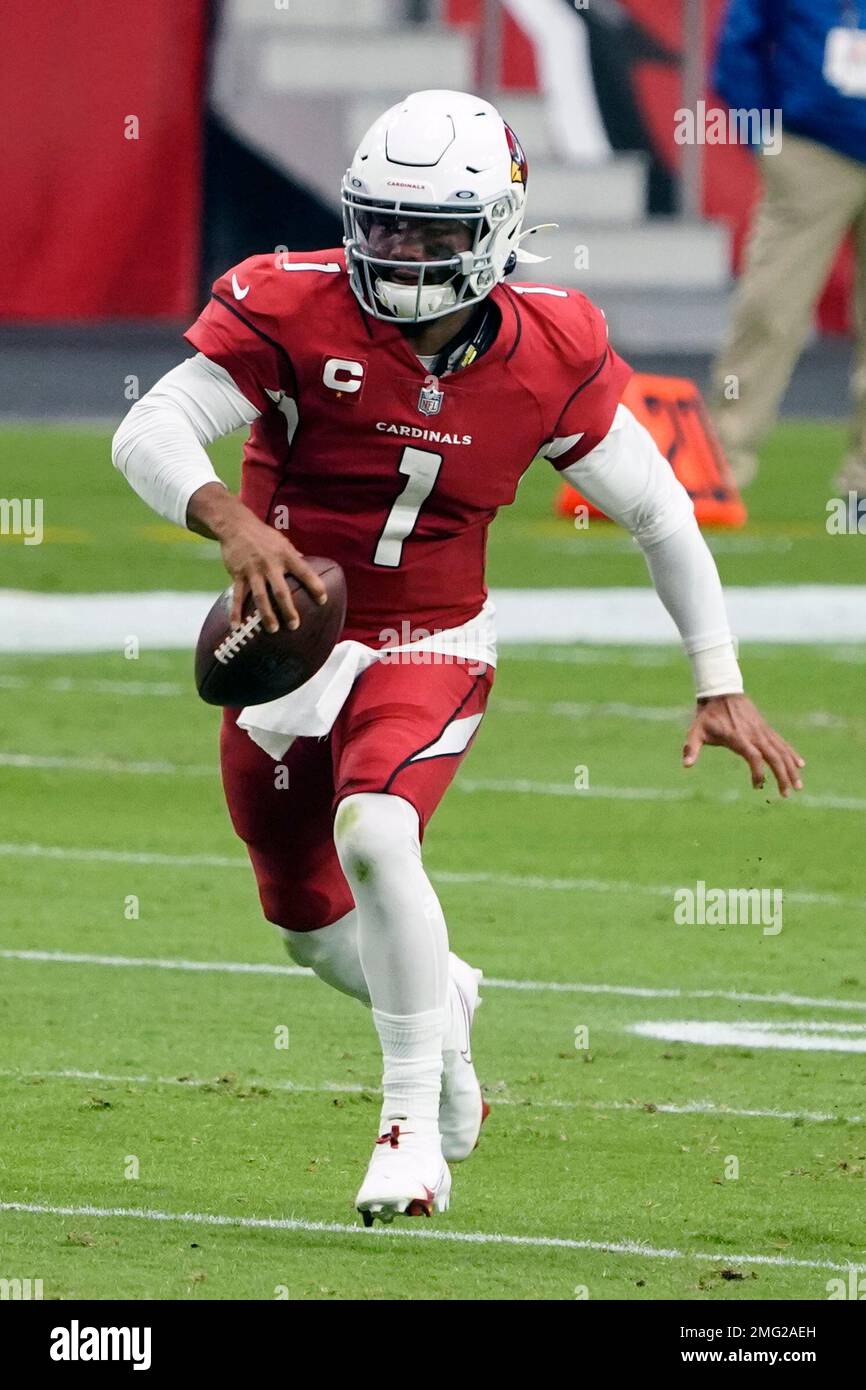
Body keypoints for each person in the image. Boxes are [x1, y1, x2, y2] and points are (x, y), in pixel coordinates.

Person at [112, 89, 804, 1225]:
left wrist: (716, 677)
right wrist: (232, 524)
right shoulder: (290, 303)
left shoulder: (551, 347)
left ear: (493, 231)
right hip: (290, 650)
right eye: (380, 225)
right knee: (304, 924)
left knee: (376, 830)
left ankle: (406, 1131)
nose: (397, 253)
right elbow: (146, 427)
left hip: (431, 639)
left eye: (428, 233)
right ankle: (449, 1011)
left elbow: (659, 513)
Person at [710, 0, 866, 492]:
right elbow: (739, 45)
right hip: (812, 150)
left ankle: (863, 483)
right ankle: (721, 467)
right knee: (771, 310)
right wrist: (765, 137)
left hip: (816, 137)